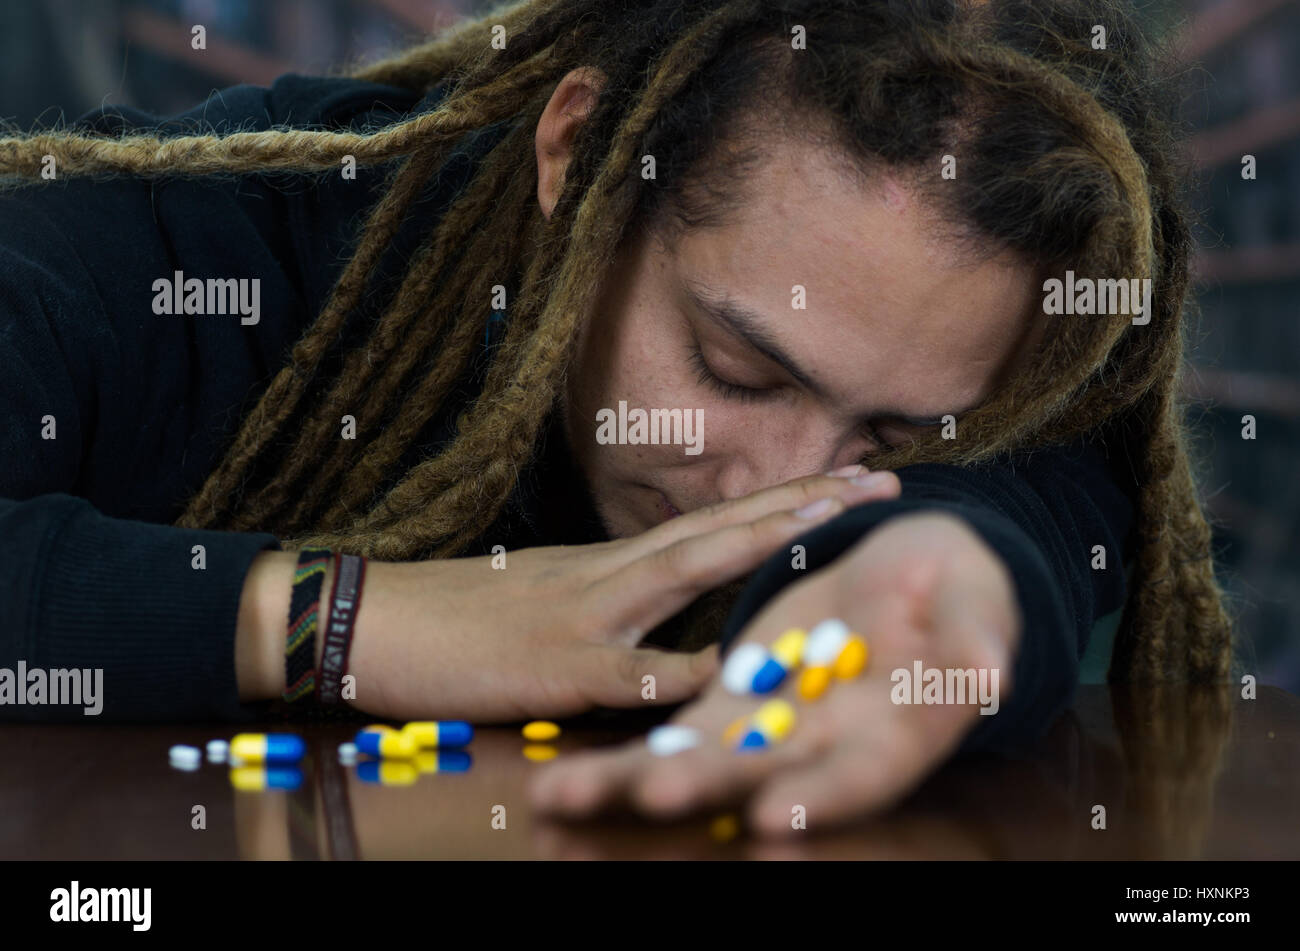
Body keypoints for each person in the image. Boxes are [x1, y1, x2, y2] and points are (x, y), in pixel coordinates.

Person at [0, 0, 1234, 833]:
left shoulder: (1011, 394)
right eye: (737, 369)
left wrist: (937, 565)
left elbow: (1012, 507)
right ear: (578, 151)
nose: (780, 488)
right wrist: (341, 618)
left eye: (892, 444)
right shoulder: (177, 250)